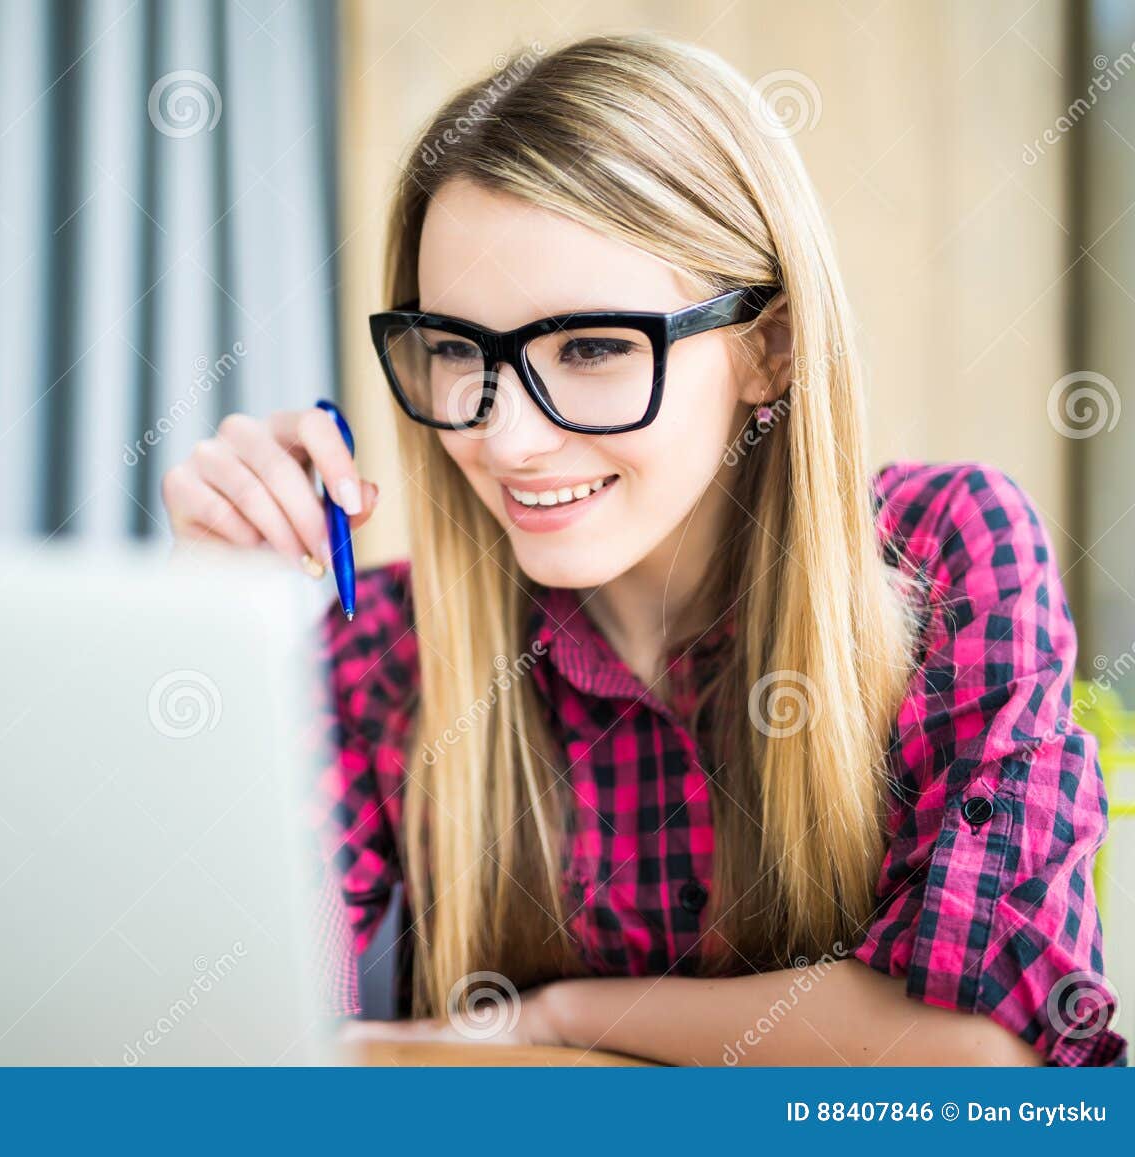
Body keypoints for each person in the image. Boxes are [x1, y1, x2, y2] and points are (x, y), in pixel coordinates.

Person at [160, 33, 1124, 1066]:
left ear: (771, 347)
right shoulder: (389, 648)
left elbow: (979, 1057)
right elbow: (219, 1036)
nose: (504, 439)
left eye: (590, 349)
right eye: (454, 348)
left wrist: (560, 1016)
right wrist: (214, 633)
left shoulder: (949, 554)